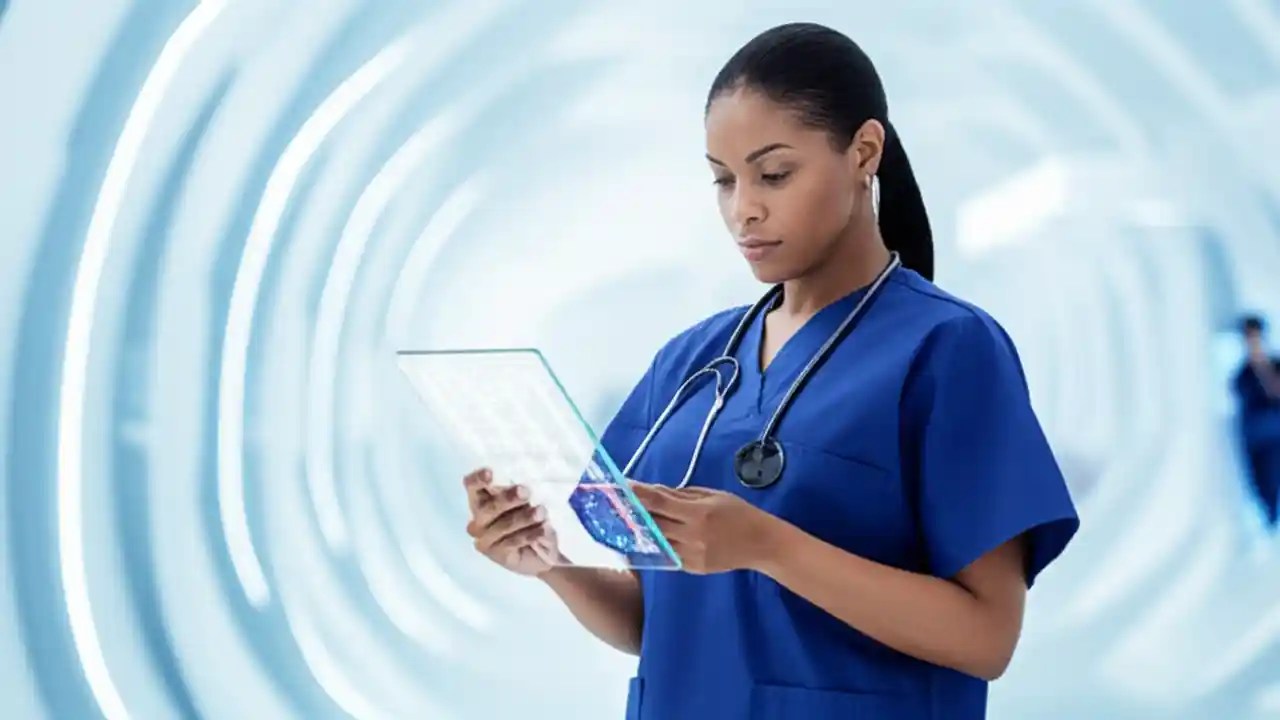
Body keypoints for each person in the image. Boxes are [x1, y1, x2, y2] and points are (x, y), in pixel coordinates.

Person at [462, 22, 1079, 719]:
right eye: (723, 180)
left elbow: (986, 637)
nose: (743, 209)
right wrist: (551, 563)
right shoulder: (691, 363)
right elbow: (656, 623)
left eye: (774, 175)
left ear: (863, 152)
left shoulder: (949, 349)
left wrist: (768, 546)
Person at [1233, 315, 1280, 528]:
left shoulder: (1274, 366)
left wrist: (1263, 367)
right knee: (1258, 486)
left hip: (1272, 435)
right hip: (1254, 438)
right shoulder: (1242, 374)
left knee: (1272, 481)